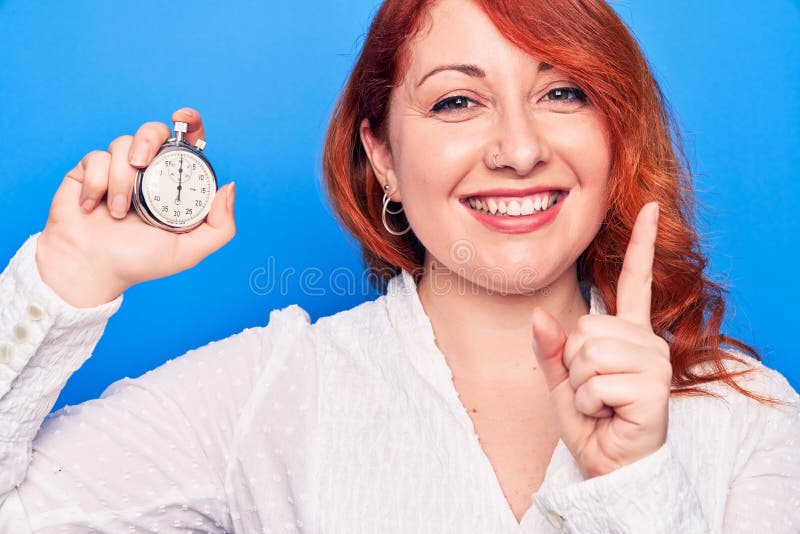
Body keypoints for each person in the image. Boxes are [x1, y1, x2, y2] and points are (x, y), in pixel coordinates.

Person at [0, 0, 797, 531]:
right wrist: (66, 279)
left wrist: (637, 486)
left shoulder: (751, 414)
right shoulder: (277, 390)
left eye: (563, 94)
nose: (519, 150)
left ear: (616, 129)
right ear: (380, 153)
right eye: (457, 101)